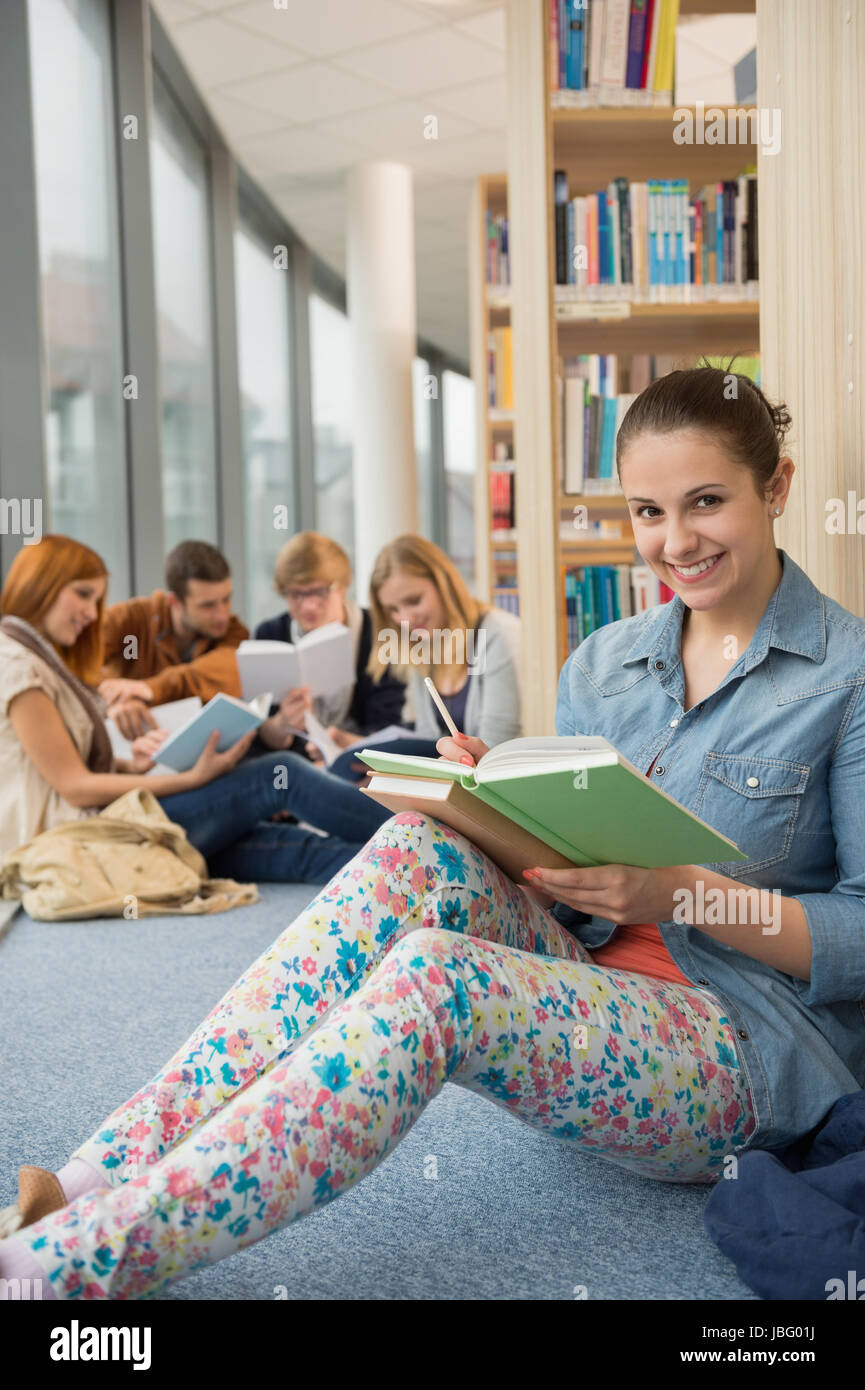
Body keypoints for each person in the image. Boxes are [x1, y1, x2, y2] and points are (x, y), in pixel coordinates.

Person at [4, 364, 865, 1301]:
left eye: (706, 502)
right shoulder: (606, 664)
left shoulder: (846, 675)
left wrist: (675, 892)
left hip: (737, 1041)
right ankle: (89, 1179)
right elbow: (564, 888)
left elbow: (859, 936)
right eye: (646, 512)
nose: (674, 541)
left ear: (774, 487)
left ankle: (69, 1268)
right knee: (419, 850)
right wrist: (493, 810)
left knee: (435, 976)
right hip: (587, 978)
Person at [0, 535, 391, 885]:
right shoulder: (19, 666)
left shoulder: (36, 659)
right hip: (86, 830)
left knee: (282, 847)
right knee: (279, 776)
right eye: (83, 594)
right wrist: (191, 778)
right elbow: (76, 787)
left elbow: (59, 769)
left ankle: (412, 867)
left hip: (111, 811)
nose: (91, 612)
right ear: (42, 586)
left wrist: (130, 766)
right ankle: (431, 839)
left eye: (96, 599)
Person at [251, 532, 407, 766]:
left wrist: (346, 745)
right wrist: (282, 724)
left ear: (343, 586)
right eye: (295, 594)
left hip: (364, 762)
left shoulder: (378, 632)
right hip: (292, 768)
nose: (308, 605)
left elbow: (386, 727)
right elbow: (259, 735)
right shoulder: (269, 636)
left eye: (319, 592)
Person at [98, 540, 250, 740]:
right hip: (131, 751)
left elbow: (227, 670)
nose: (221, 615)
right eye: (208, 606)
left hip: (200, 753)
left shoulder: (233, 632)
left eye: (226, 599)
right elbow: (75, 664)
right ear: (174, 602)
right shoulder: (129, 620)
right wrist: (117, 699)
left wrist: (148, 690)